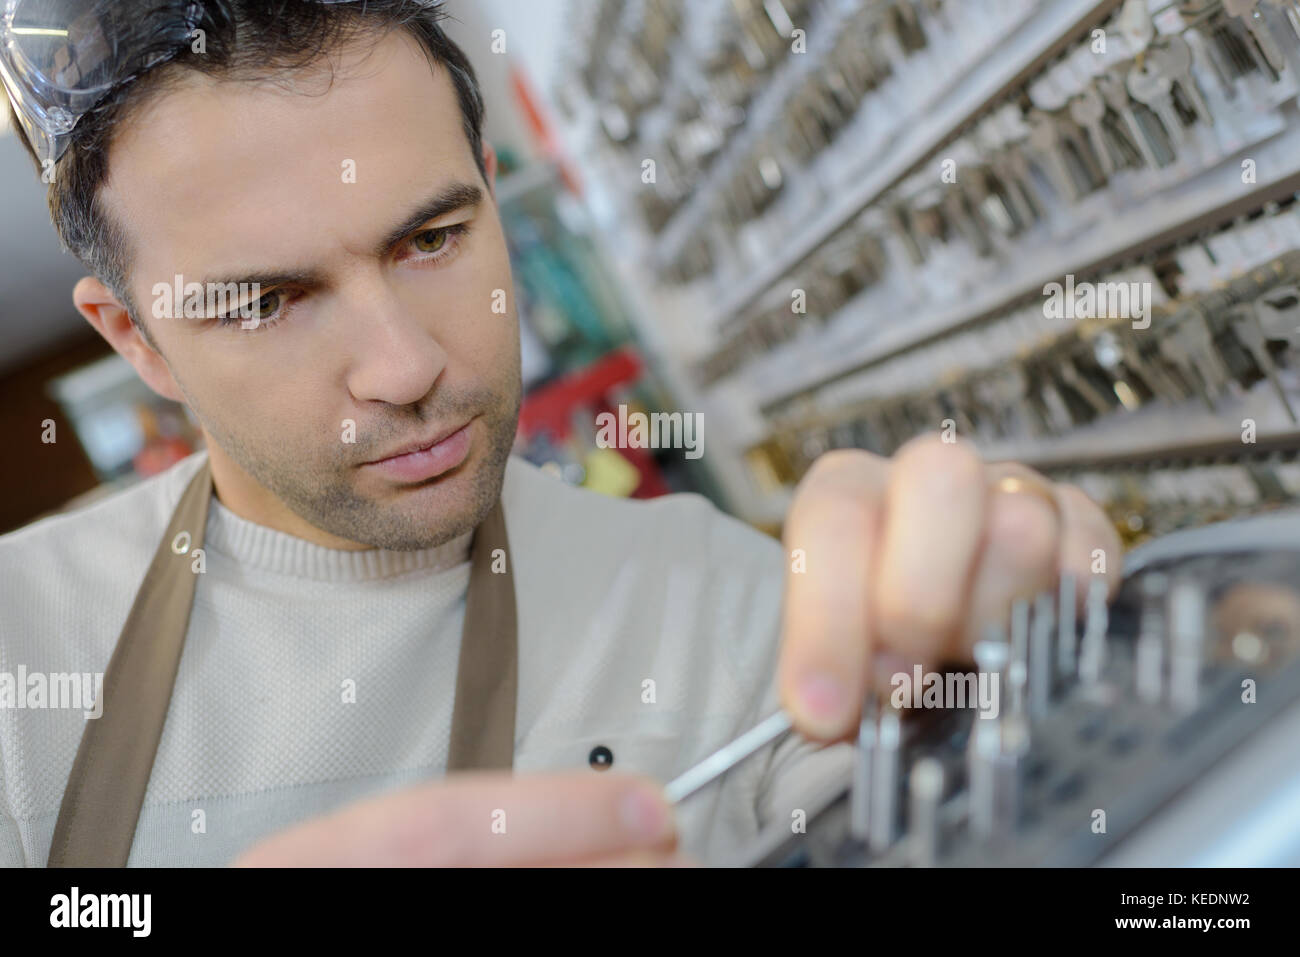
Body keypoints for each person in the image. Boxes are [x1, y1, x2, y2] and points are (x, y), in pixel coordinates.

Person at [0, 0, 1120, 867]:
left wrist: (1042, 701)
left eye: (431, 238)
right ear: (137, 340)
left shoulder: (717, 604)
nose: (407, 366)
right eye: (264, 301)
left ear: (491, 196)